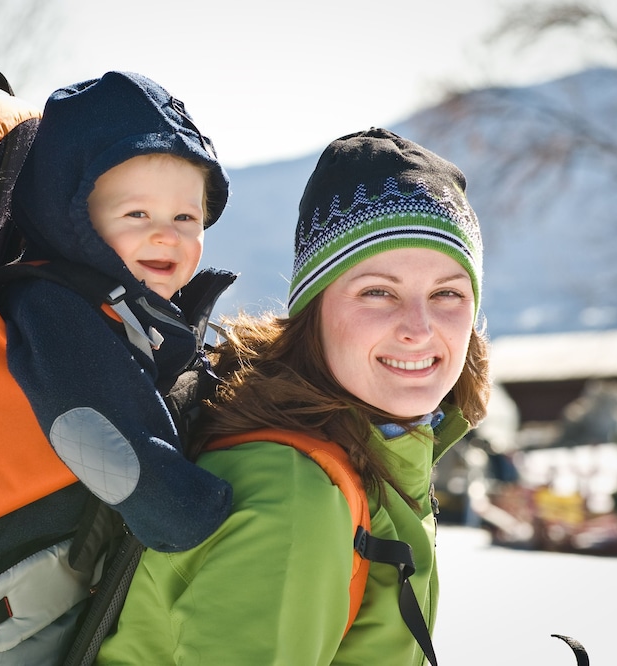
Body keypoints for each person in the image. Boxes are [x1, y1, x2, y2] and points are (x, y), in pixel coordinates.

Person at [96, 128, 491, 664]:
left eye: (447, 293)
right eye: (378, 292)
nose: (418, 328)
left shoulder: (379, 456)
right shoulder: (292, 494)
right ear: (314, 311)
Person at [0, 71, 234, 553]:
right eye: (136, 215)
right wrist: (189, 513)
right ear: (70, 219)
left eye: (186, 217)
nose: (166, 234)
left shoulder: (129, 308)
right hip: (14, 592)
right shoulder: (54, 311)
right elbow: (103, 437)